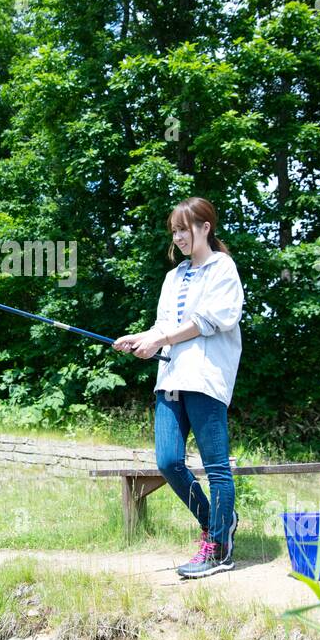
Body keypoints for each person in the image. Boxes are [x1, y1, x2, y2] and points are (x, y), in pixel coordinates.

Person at [113, 197, 244, 578]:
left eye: (185, 229)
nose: (179, 236)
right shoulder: (174, 277)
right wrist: (140, 339)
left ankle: (218, 549)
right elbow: (162, 325)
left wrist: (161, 339)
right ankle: (216, 522)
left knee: (217, 467)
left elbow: (208, 321)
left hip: (204, 378)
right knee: (168, 460)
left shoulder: (223, 269)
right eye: (175, 231)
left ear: (205, 227)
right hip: (170, 378)